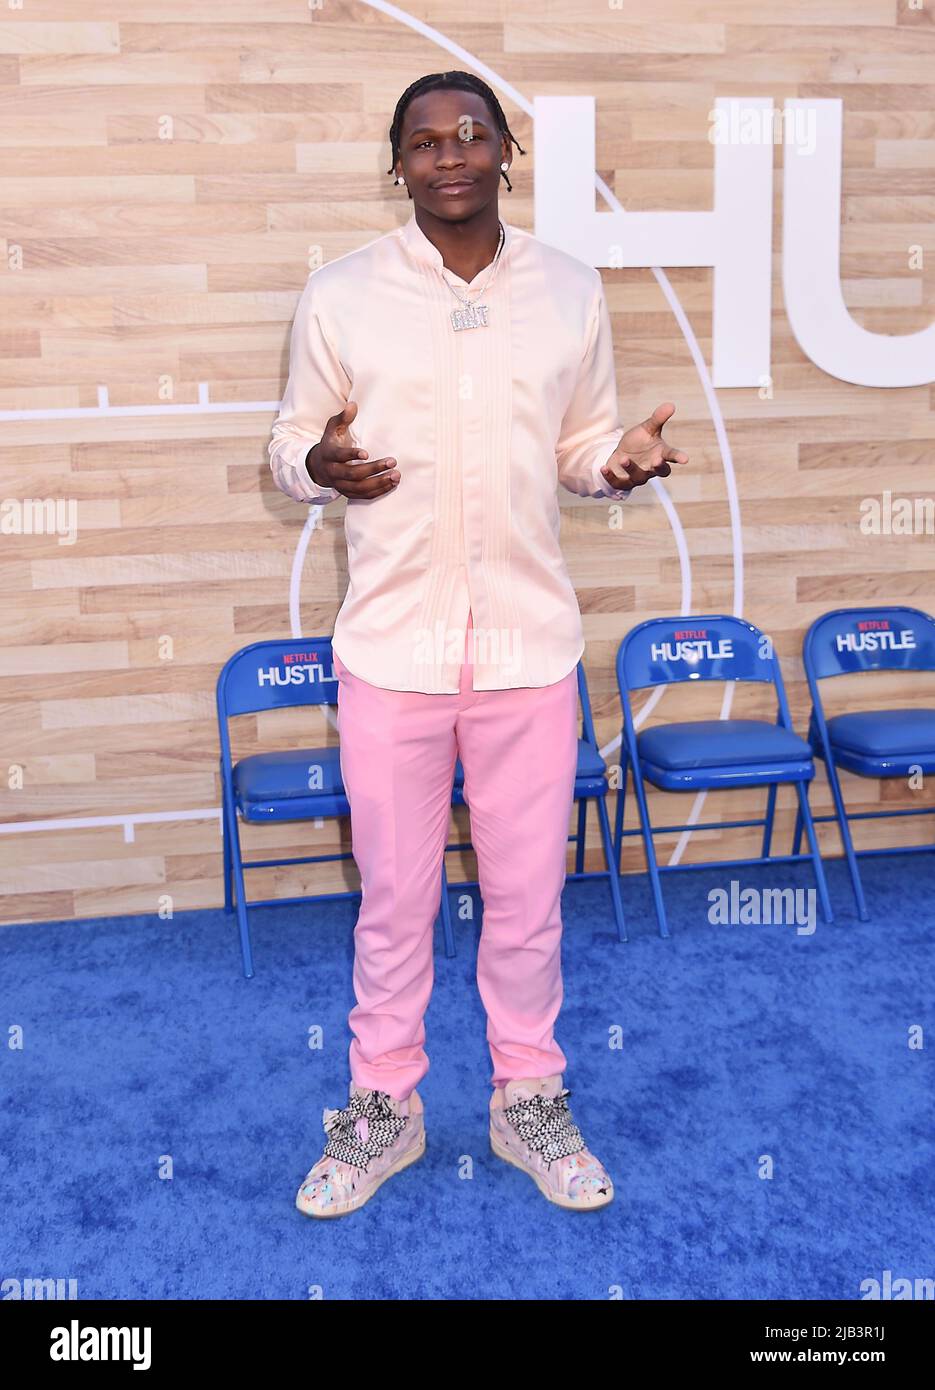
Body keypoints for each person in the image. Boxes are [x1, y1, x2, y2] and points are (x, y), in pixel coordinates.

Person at [268, 70, 688, 1217]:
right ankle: (383, 1111)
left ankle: (526, 1099)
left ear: (504, 152)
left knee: (525, 897)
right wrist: (314, 468)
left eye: (470, 134)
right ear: (395, 161)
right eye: (422, 139)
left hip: (526, 652)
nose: (447, 154)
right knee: (393, 899)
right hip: (391, 652)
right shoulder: (340, 293)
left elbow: (582, 439)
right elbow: (291, 444)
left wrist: (616, 464)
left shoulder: (567, 288)